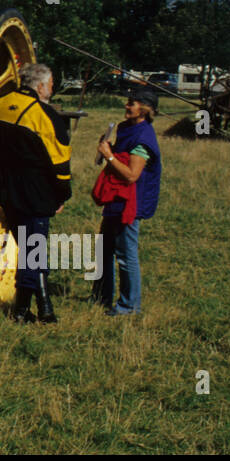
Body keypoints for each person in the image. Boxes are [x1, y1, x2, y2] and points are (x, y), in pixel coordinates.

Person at [0, 62, 72, 323]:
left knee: (29, 247)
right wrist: (62, 195)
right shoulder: (44, 115)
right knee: (34, 250)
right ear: (42, 86)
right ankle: (21, 311)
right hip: (37, 192)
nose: (52, 88)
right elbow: (60, 164)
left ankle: (45, 307)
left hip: (8, 188)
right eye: (52, 84)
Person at [94, 86, 162, 315]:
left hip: (129, 202)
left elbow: (132, 175)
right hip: (116, 197)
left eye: (132, 103)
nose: (127, 106)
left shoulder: (143, 138)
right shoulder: (127, 129)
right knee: (104, 249)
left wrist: (109, 156)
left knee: (125, 254)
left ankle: (129, 306)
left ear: (145, 110)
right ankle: (100, 297)